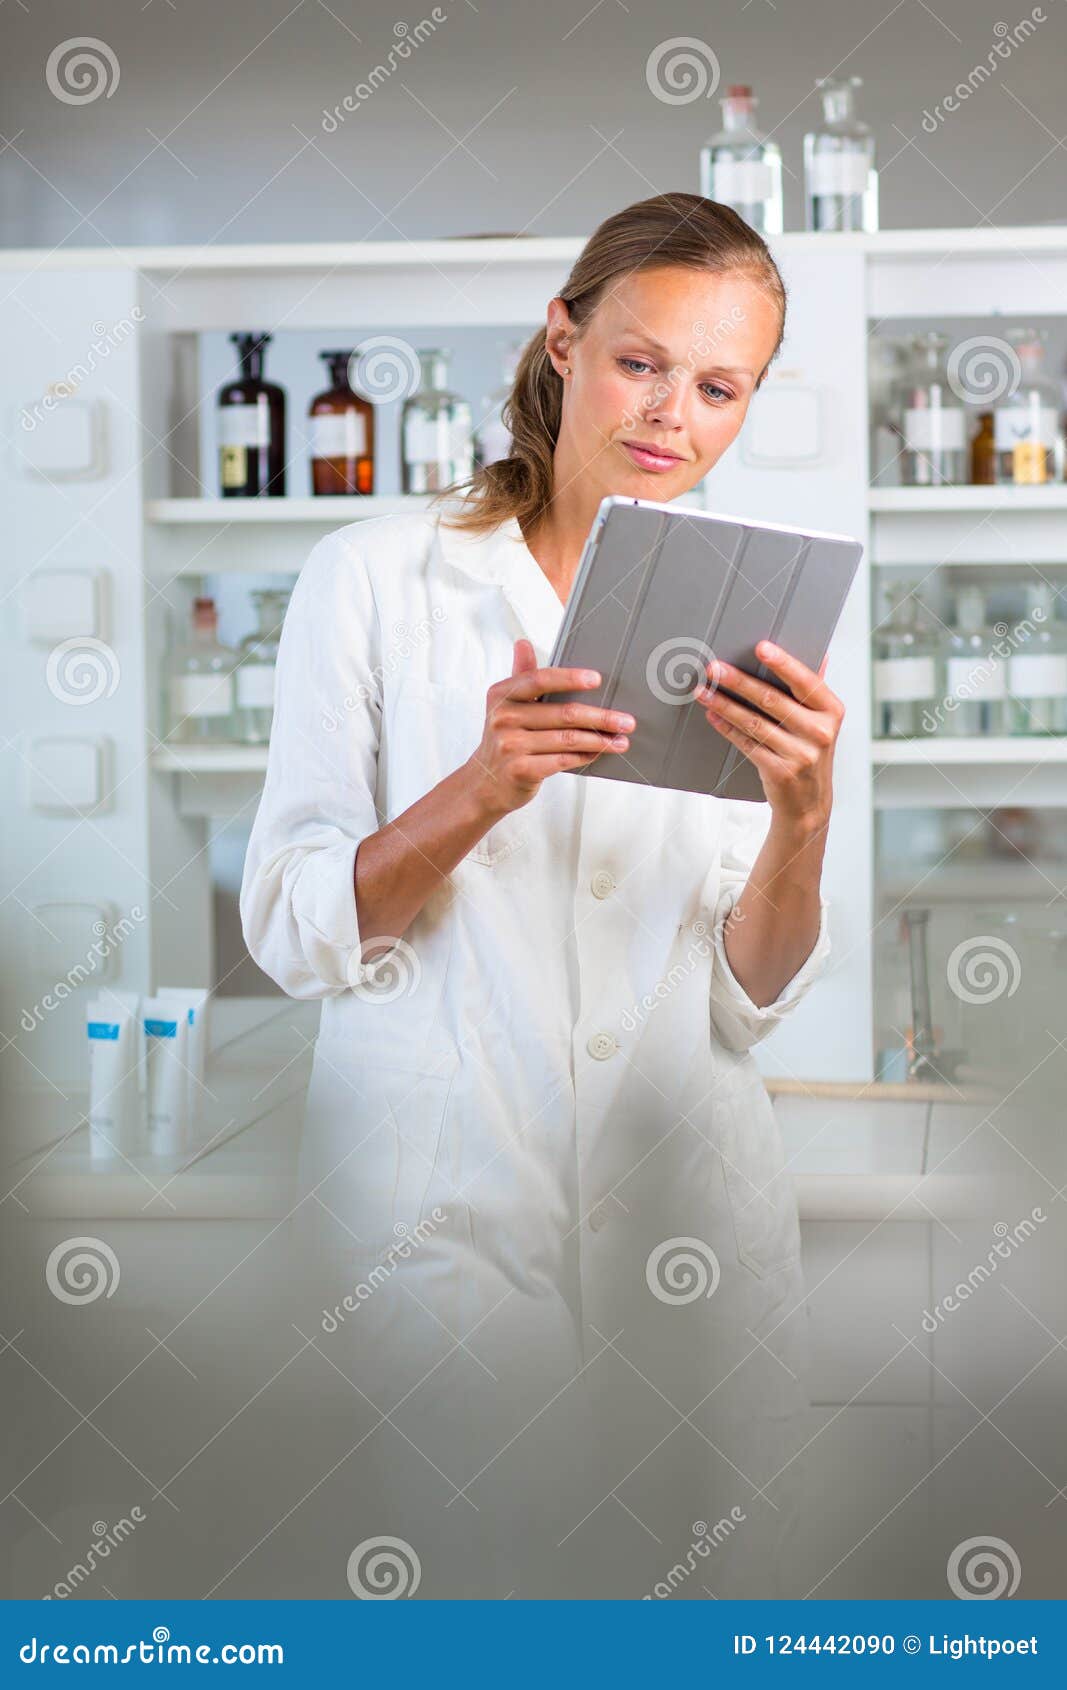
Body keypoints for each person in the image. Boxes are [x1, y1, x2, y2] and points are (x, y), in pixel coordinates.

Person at [239, 192, 844, 1600]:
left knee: (704, 1611)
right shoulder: (379, 580)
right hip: (440, 1215)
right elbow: (291, 925)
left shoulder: (761, 611)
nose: (670, 412)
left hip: (687, 1216)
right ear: (563, 342)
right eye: (640, 359)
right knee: (479, 1605)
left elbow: (752, 984)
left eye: (718, 385)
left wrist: (805, 811)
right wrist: (480, 787)